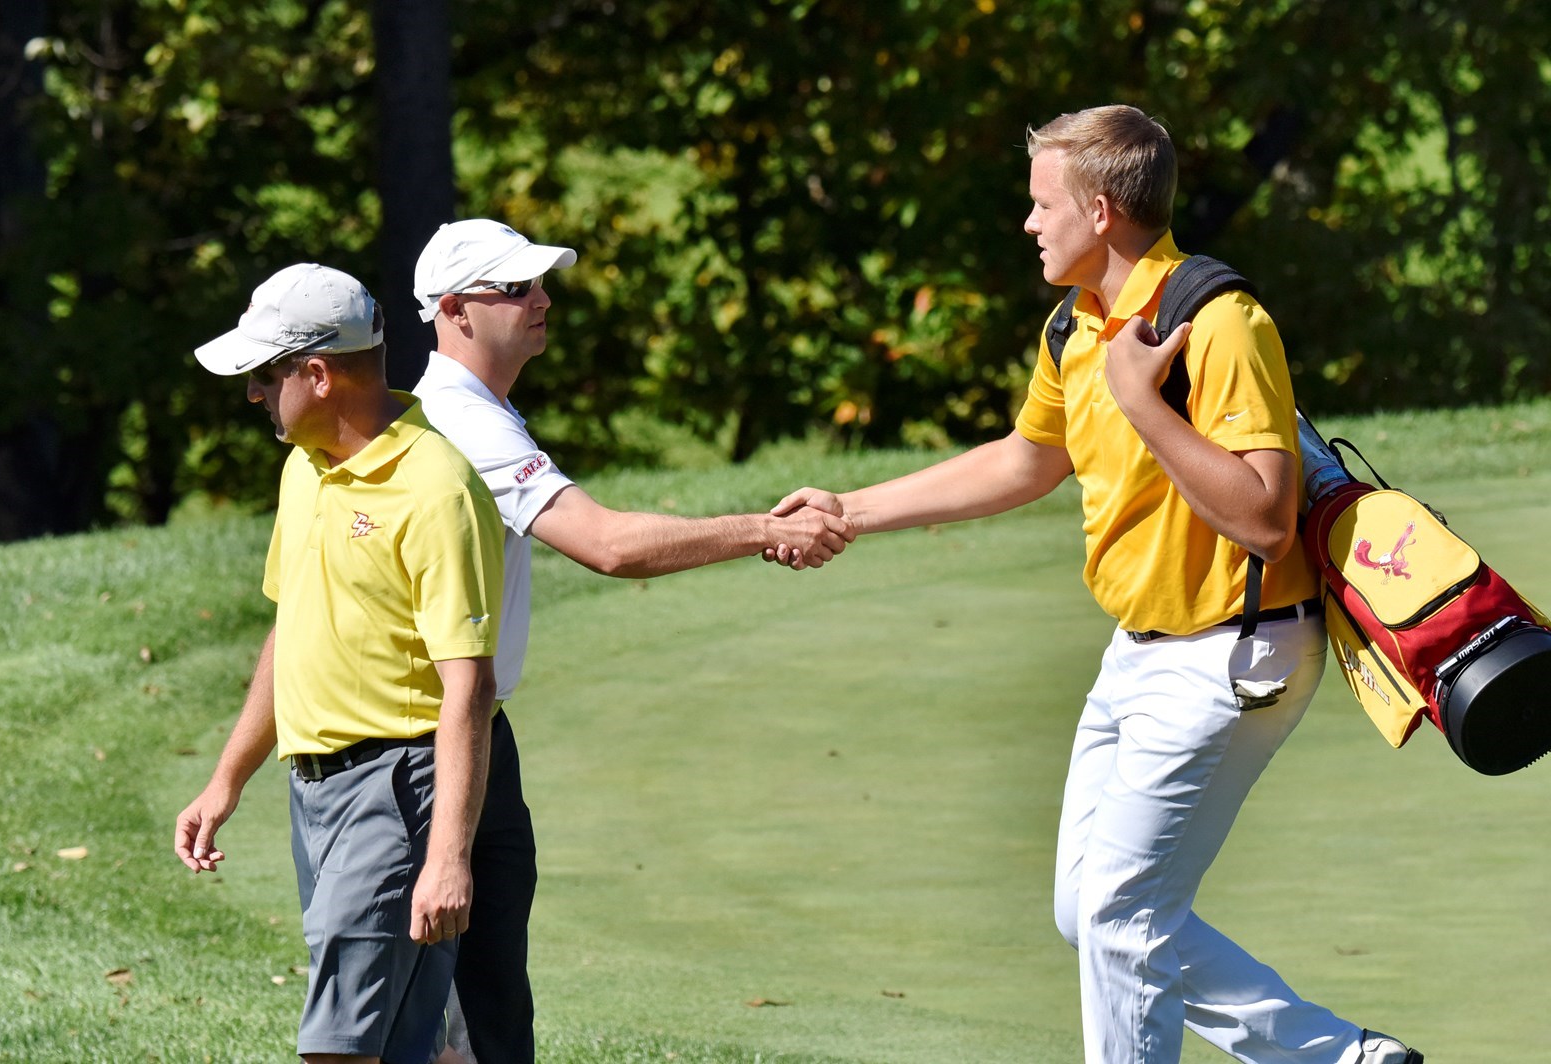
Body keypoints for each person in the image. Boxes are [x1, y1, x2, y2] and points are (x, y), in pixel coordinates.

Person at [770, 106, 1423, 1064]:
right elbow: (1025, 461)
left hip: (1234, 654)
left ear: (1105, 210)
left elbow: (1265, 516)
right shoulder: (1075, 325)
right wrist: (851, 510)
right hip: (1136, 654)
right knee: (1090, 909)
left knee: (1121, 915)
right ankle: (1340, 1058)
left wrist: (1138, 401)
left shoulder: (1221, 324)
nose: (1030, 223)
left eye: (1043, 205)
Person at [406, 217, 855, 1062]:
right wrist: (765, 529)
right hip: (434, 749)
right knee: (456, 1029)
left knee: (490, 1016)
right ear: (456, 310)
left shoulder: (473, 411)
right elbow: (608, 545)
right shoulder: (461, 422)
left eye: (542, 283)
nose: (542, 300)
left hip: (468, 740)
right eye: (517, 288)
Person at [173, 263, 506, 1064]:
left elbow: (469, 684)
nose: (255, 394)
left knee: (337, 1047)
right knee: (405, 1044)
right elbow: (294, 628)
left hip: (396, 790)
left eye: (265, 376)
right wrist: (227, 778)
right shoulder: (306, 468)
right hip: (312, 795)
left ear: (317, 374)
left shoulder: (436, 489)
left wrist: (449, 858)